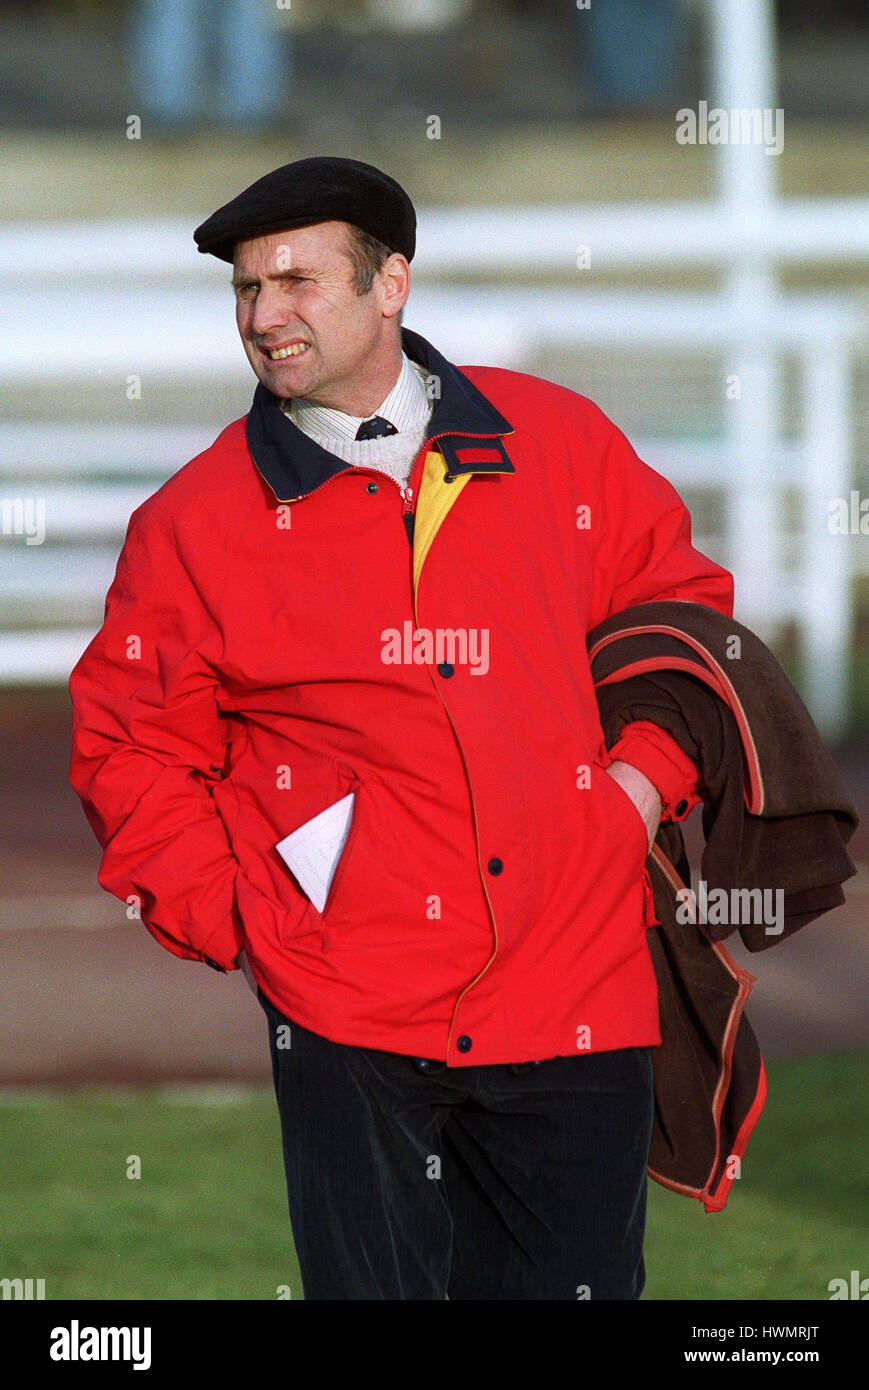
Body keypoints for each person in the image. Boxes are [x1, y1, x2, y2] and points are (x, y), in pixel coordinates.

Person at [68, 156, 734, 1300]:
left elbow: (676, 616)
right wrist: (250, 916)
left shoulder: (557, 439)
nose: (264, 314)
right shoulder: (189, 521)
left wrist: (634, 790)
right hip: (346, 1016)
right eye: (244, 288)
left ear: (391, 287)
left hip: (573, 990)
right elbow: (128, 745)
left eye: (295, 281)